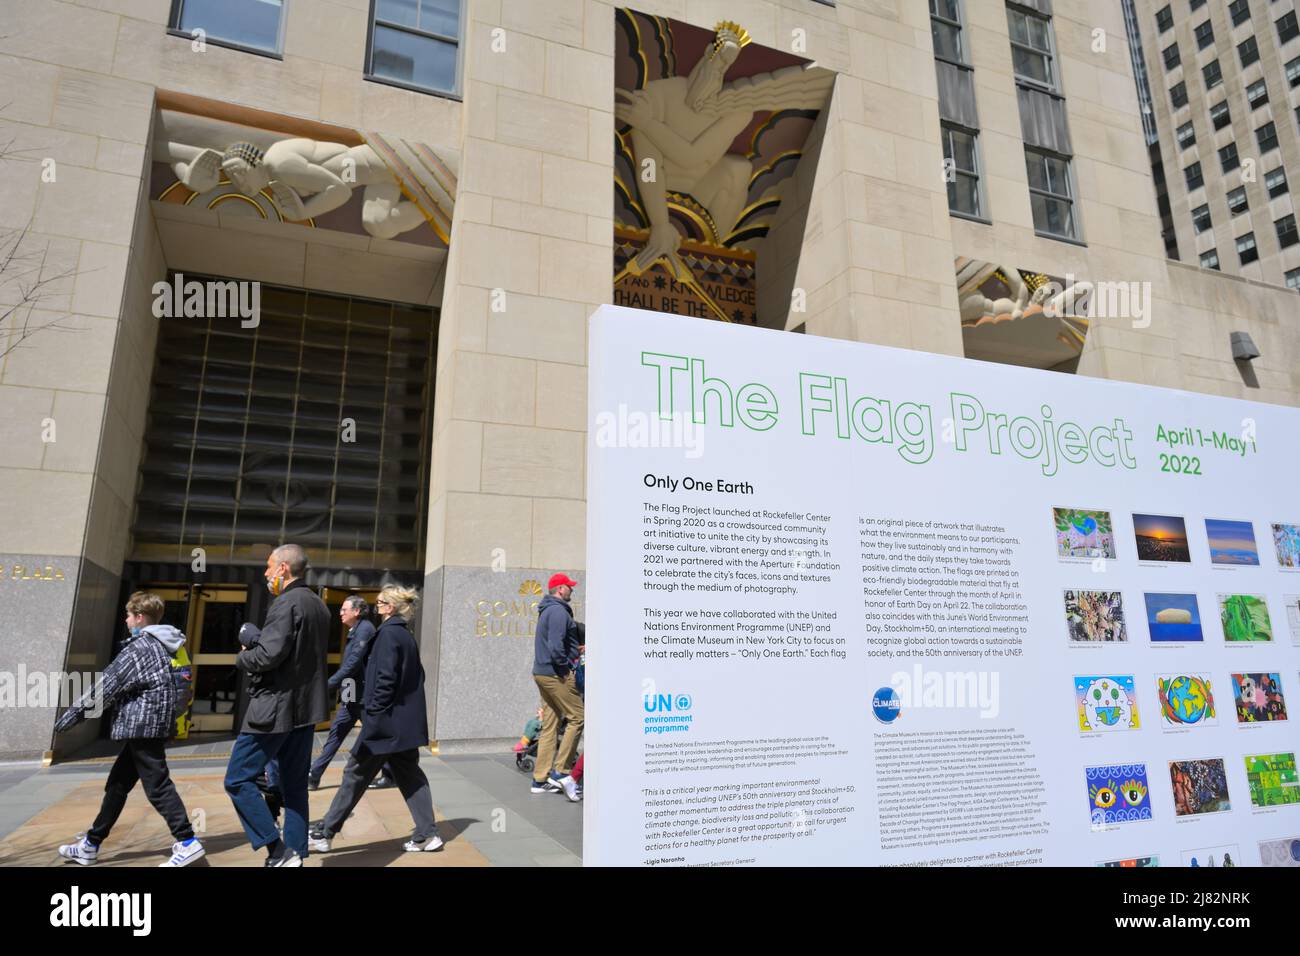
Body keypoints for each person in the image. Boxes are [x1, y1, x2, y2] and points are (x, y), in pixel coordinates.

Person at [54, 592, 204, 867]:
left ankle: (187, 841)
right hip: (156, 722)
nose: (125, 620)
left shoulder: (140, 648)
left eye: (128, 615)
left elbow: (103, 688)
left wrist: (68, 720)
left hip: (142, 725)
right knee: (118, 784)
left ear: (140, 617)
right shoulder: (168, 643)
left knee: (157, 784)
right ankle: (91, 843)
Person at [308, 586, 443, 854]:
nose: (377, 605)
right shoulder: (404, 635)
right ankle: (428, 834)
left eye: (380, 602)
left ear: (390, 607)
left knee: (354, 774)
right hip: (401, 725)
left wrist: (372, 717)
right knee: (410, 776)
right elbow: (418, 677)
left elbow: (384, 682)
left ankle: (325, 833)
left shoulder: (388, 635)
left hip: (384, 725)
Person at [223, 544, 330, 867]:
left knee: (238, 779)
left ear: (284, 568)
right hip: (304, 710)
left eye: (269, 567)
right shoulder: (318, 605)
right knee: (295, 786)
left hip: (274, 709)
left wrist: (244, 654)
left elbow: (269, 656)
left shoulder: (286, 603)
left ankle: (278, 851)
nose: (266, 573)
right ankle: (294, 853)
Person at [308, 595, 380, 790]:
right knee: (337, 732)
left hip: (363, 695)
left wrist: (329, 684)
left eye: (344, 609)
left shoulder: (365, 629)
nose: (340, 612)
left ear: (356, 611)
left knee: (376, 736)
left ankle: (390, 773)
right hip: (352, 692)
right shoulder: (354, 630)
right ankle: (314, 775)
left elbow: (353, 663)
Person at [530, 573, 583, 801]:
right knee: (578, 717)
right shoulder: (559, 611)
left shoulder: (547, 610)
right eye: (569, 587)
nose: (572, 590)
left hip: (542, 673)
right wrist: (565, 669)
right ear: (560, 589)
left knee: (550, 724)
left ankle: (539, 780)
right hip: (554, 674)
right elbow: (555, 646)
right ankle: (561, 771)